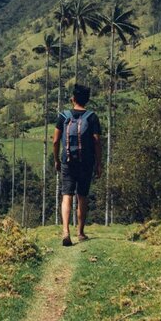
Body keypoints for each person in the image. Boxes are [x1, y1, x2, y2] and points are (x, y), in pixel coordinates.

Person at [53, 84, 102, 246]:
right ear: (87, 100)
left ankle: (66, 231)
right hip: (86, 162)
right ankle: (80, 233)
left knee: (67, 195)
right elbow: (97, 143)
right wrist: (98, 163)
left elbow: (55, 141)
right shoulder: (92, 117)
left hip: (68, 161)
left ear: (73, 98)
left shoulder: (63, 116)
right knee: (82, 196)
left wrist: (56, 160)